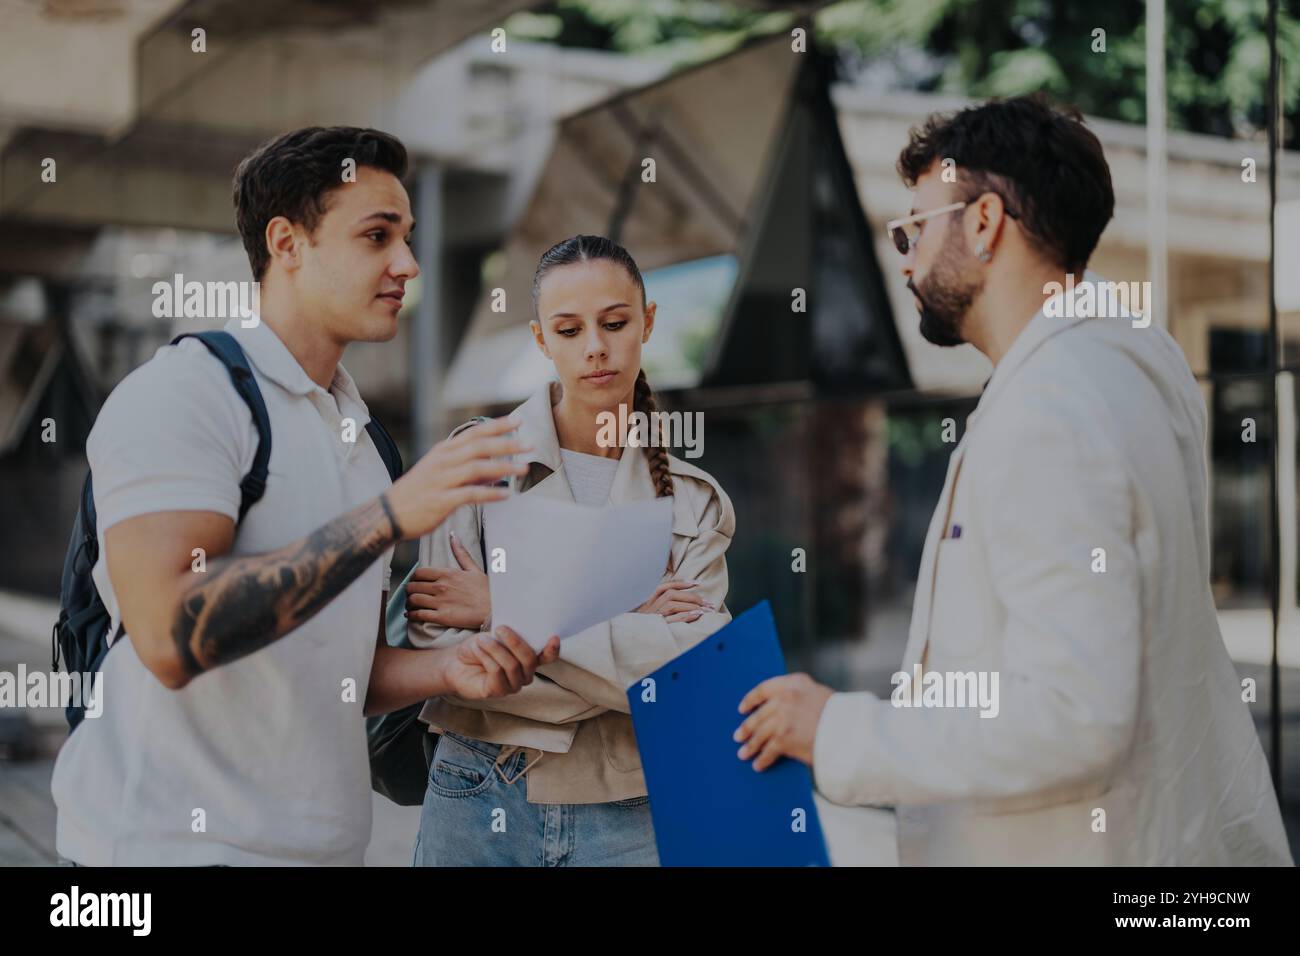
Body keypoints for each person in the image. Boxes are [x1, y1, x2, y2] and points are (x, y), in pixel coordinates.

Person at [733, 95, 1294, 865]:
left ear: (986, 221)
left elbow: (1072, 714)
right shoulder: (1138, 360)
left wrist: (835, 730)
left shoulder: (1049, 410)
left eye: (916, 229)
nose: (904, 258)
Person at [51, 126, 558, 866]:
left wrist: (450, 670)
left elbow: (342, 668)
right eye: (377, 236)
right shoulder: (186, 395)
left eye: (408, 237)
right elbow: (168, 635)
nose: (408, 265)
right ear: (286, 243)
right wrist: (387, 519)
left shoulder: (364, 440)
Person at [401, 235, 735, 866]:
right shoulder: (476, 464)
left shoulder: (695, 501)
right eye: (569, 328)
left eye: (614, 323)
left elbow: (687, 675)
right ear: (539, 339)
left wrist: (498, 608)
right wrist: (631, 629)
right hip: (478, 789)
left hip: (629, 803)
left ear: (649, 322)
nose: (595, 349)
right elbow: (437, 651)